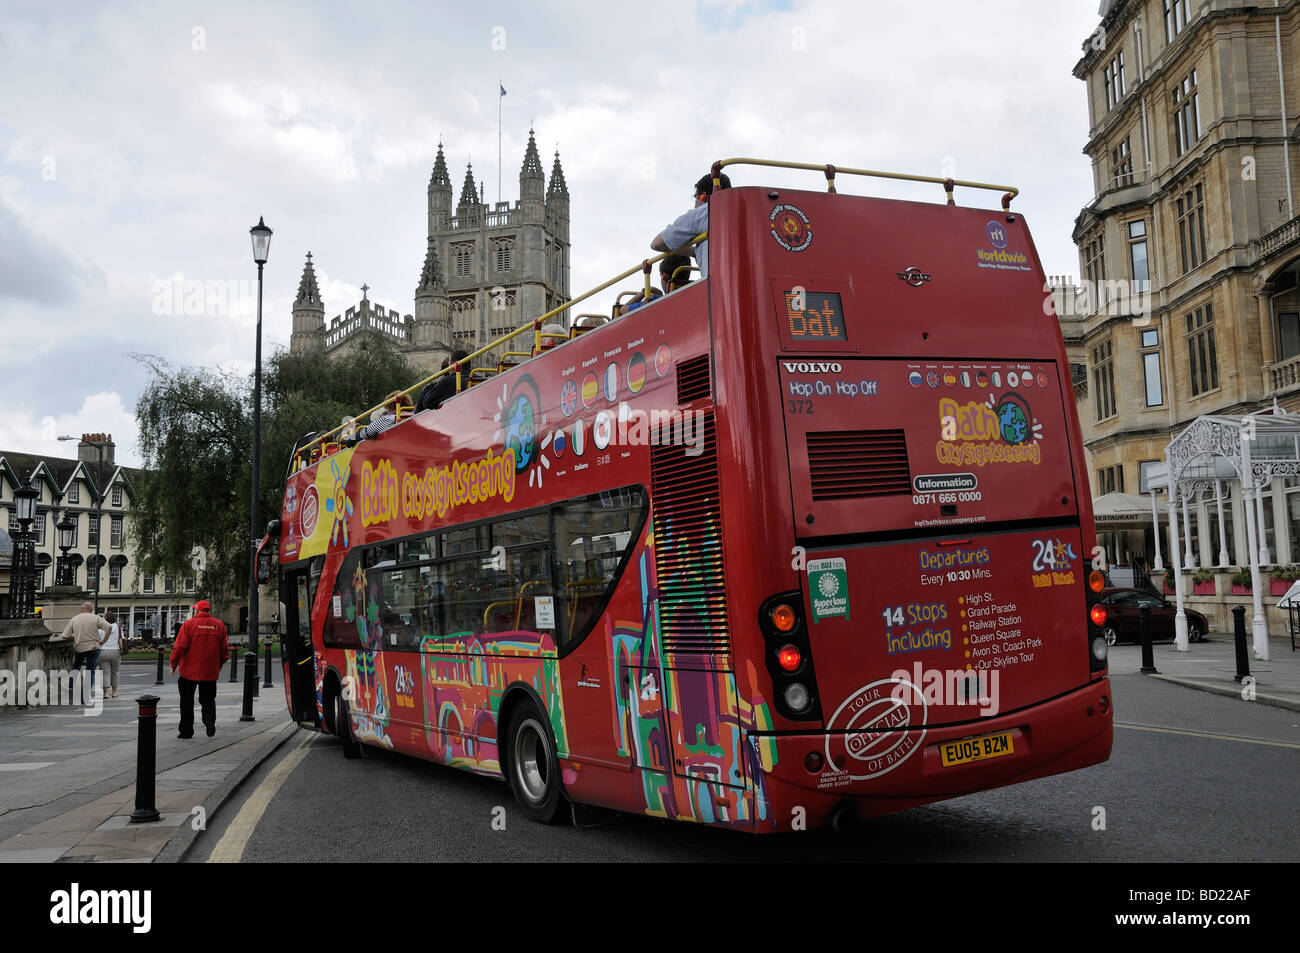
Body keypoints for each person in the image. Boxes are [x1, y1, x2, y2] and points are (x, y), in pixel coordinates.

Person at [651, 171, 731, 279]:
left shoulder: (703, 212)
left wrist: (693, 252)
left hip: (720, 285)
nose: (694, 203)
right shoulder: (749, 210)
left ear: (703, 196)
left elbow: (657, 244)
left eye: (695, 197)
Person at [169, 599, 229, 739]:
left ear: (196, 610)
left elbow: (179, 647)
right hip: (209, 671)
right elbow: (224, 650)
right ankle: (209, 720)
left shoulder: (189, 625)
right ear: (209, 610)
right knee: (208, 698)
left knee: (186, 701)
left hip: (188, 671)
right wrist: (219, 664)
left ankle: (186, 731)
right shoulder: (219, 625)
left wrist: (173, 664)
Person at [59, 602, 111, 697]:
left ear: (81, 609)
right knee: (90, 671)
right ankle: (85, 695)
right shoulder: (96, 618)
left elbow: (65, 636)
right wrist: (103, 640)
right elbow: (109, 627)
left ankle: (71, 686)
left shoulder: (74, 619)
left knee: (76, 666)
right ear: (91, 609)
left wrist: (75, 637)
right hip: (93, 646)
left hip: (80, 647)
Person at [98, 610, 123, 699]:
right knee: (115, 672)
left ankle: (105, 693)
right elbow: (120, 639)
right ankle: (115, 692)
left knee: (105, 673)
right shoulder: (118, 627)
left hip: (103, 651)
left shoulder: (101, 628)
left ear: (105, 618)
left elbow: (98, 639)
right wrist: (121, 649)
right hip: (115, 651)